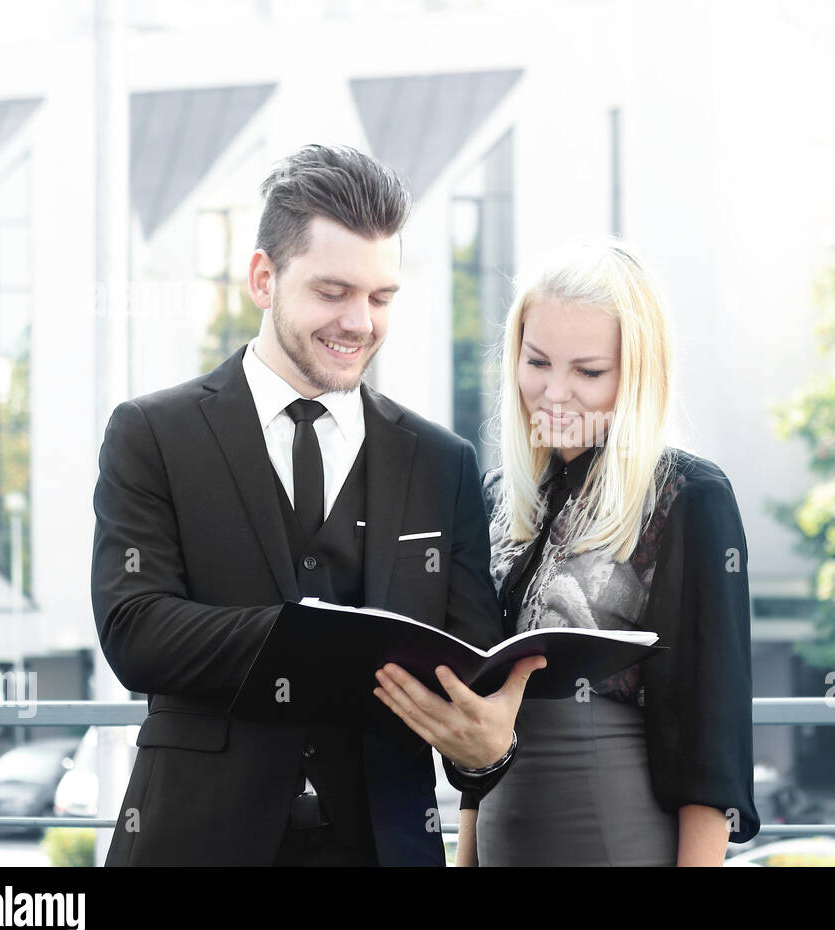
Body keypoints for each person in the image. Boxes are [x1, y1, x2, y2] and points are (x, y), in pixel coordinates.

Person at [90, 144, 543, 866]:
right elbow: (134, 631)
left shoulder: (442, 463)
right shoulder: (153, 433)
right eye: (333, 292)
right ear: (262, 278)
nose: (359, 322)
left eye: (381, 297)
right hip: (194, 842)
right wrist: (318, 640)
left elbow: (470, 677)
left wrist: (488, 751)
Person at [454, 238, 760, 866]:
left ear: (637, 374)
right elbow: (479, 708)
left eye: (588, 372)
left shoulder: (688, 497)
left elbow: (711, 739)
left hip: (617, 840)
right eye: (537, 361)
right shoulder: (498, 496)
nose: (554, 392)